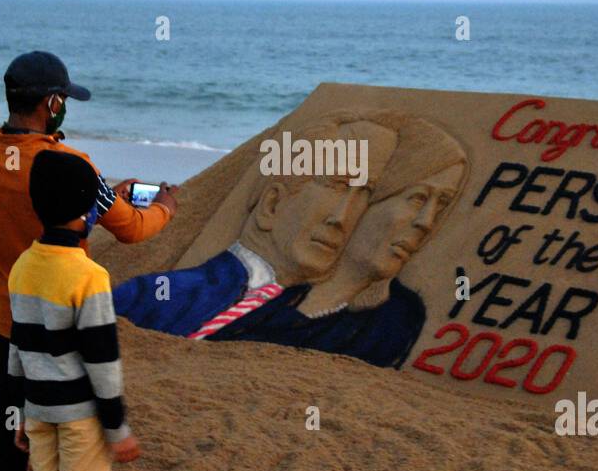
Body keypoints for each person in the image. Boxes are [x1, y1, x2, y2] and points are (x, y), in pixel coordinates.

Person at [0, 49, 177, 471]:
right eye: (64, 100)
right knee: (65, 454)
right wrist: (164, 209)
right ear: (51, 102)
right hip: (67, 321)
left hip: (13, 315)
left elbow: (39, 203)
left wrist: (107, 194)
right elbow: (131, 229)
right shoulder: (72, 165)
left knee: (10, 433)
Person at [113, 113, 398, 339]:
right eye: (337, 186)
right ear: (271, 204)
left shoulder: (328, 316)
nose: (344, 217)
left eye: (364, 195)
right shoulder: (155, 294)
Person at [211, 117, 468, 368]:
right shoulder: (275, 284)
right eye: (418, 199)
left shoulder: (396, 319)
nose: (427, 222)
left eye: (441, 205)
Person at [9, 151, 142, 471]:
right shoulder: (90, 277)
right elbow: (103, 364)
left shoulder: (22, 266)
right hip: (79, 414)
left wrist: (19, 415)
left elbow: (18, 347)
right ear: (89, 209)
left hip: (38, 407)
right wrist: (117, 429)